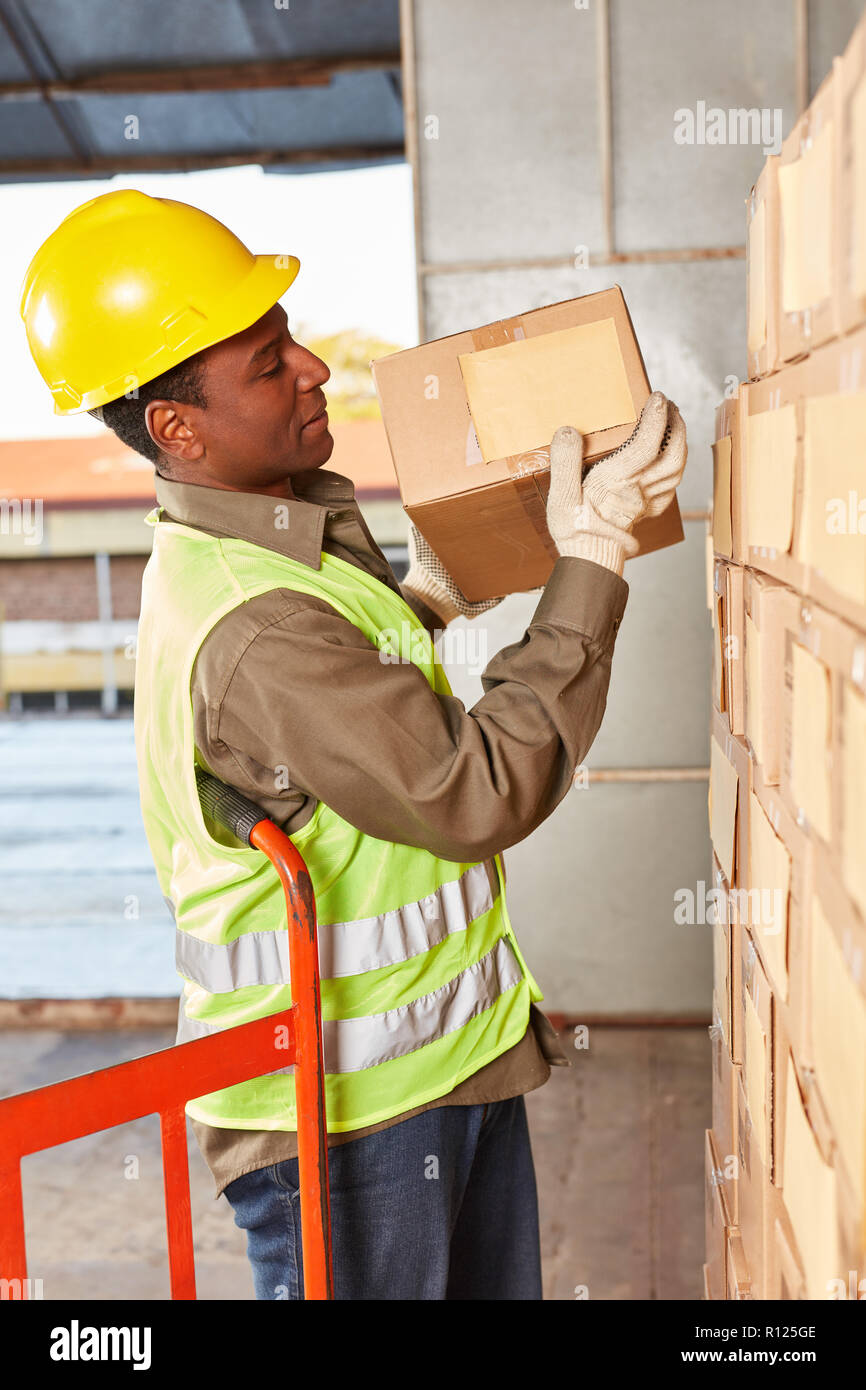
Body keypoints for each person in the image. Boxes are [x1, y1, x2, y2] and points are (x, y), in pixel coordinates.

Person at [20, 189, 686, 1300]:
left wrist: (424, 595)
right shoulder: (250, 614)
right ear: (176, 427)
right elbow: (471, 790)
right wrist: (591, 563)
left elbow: (343, 717)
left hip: (443, 1066)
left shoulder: (292, 549)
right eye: (269, 363)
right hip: (345, 1115)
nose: (315, 369)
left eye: (293, 344)